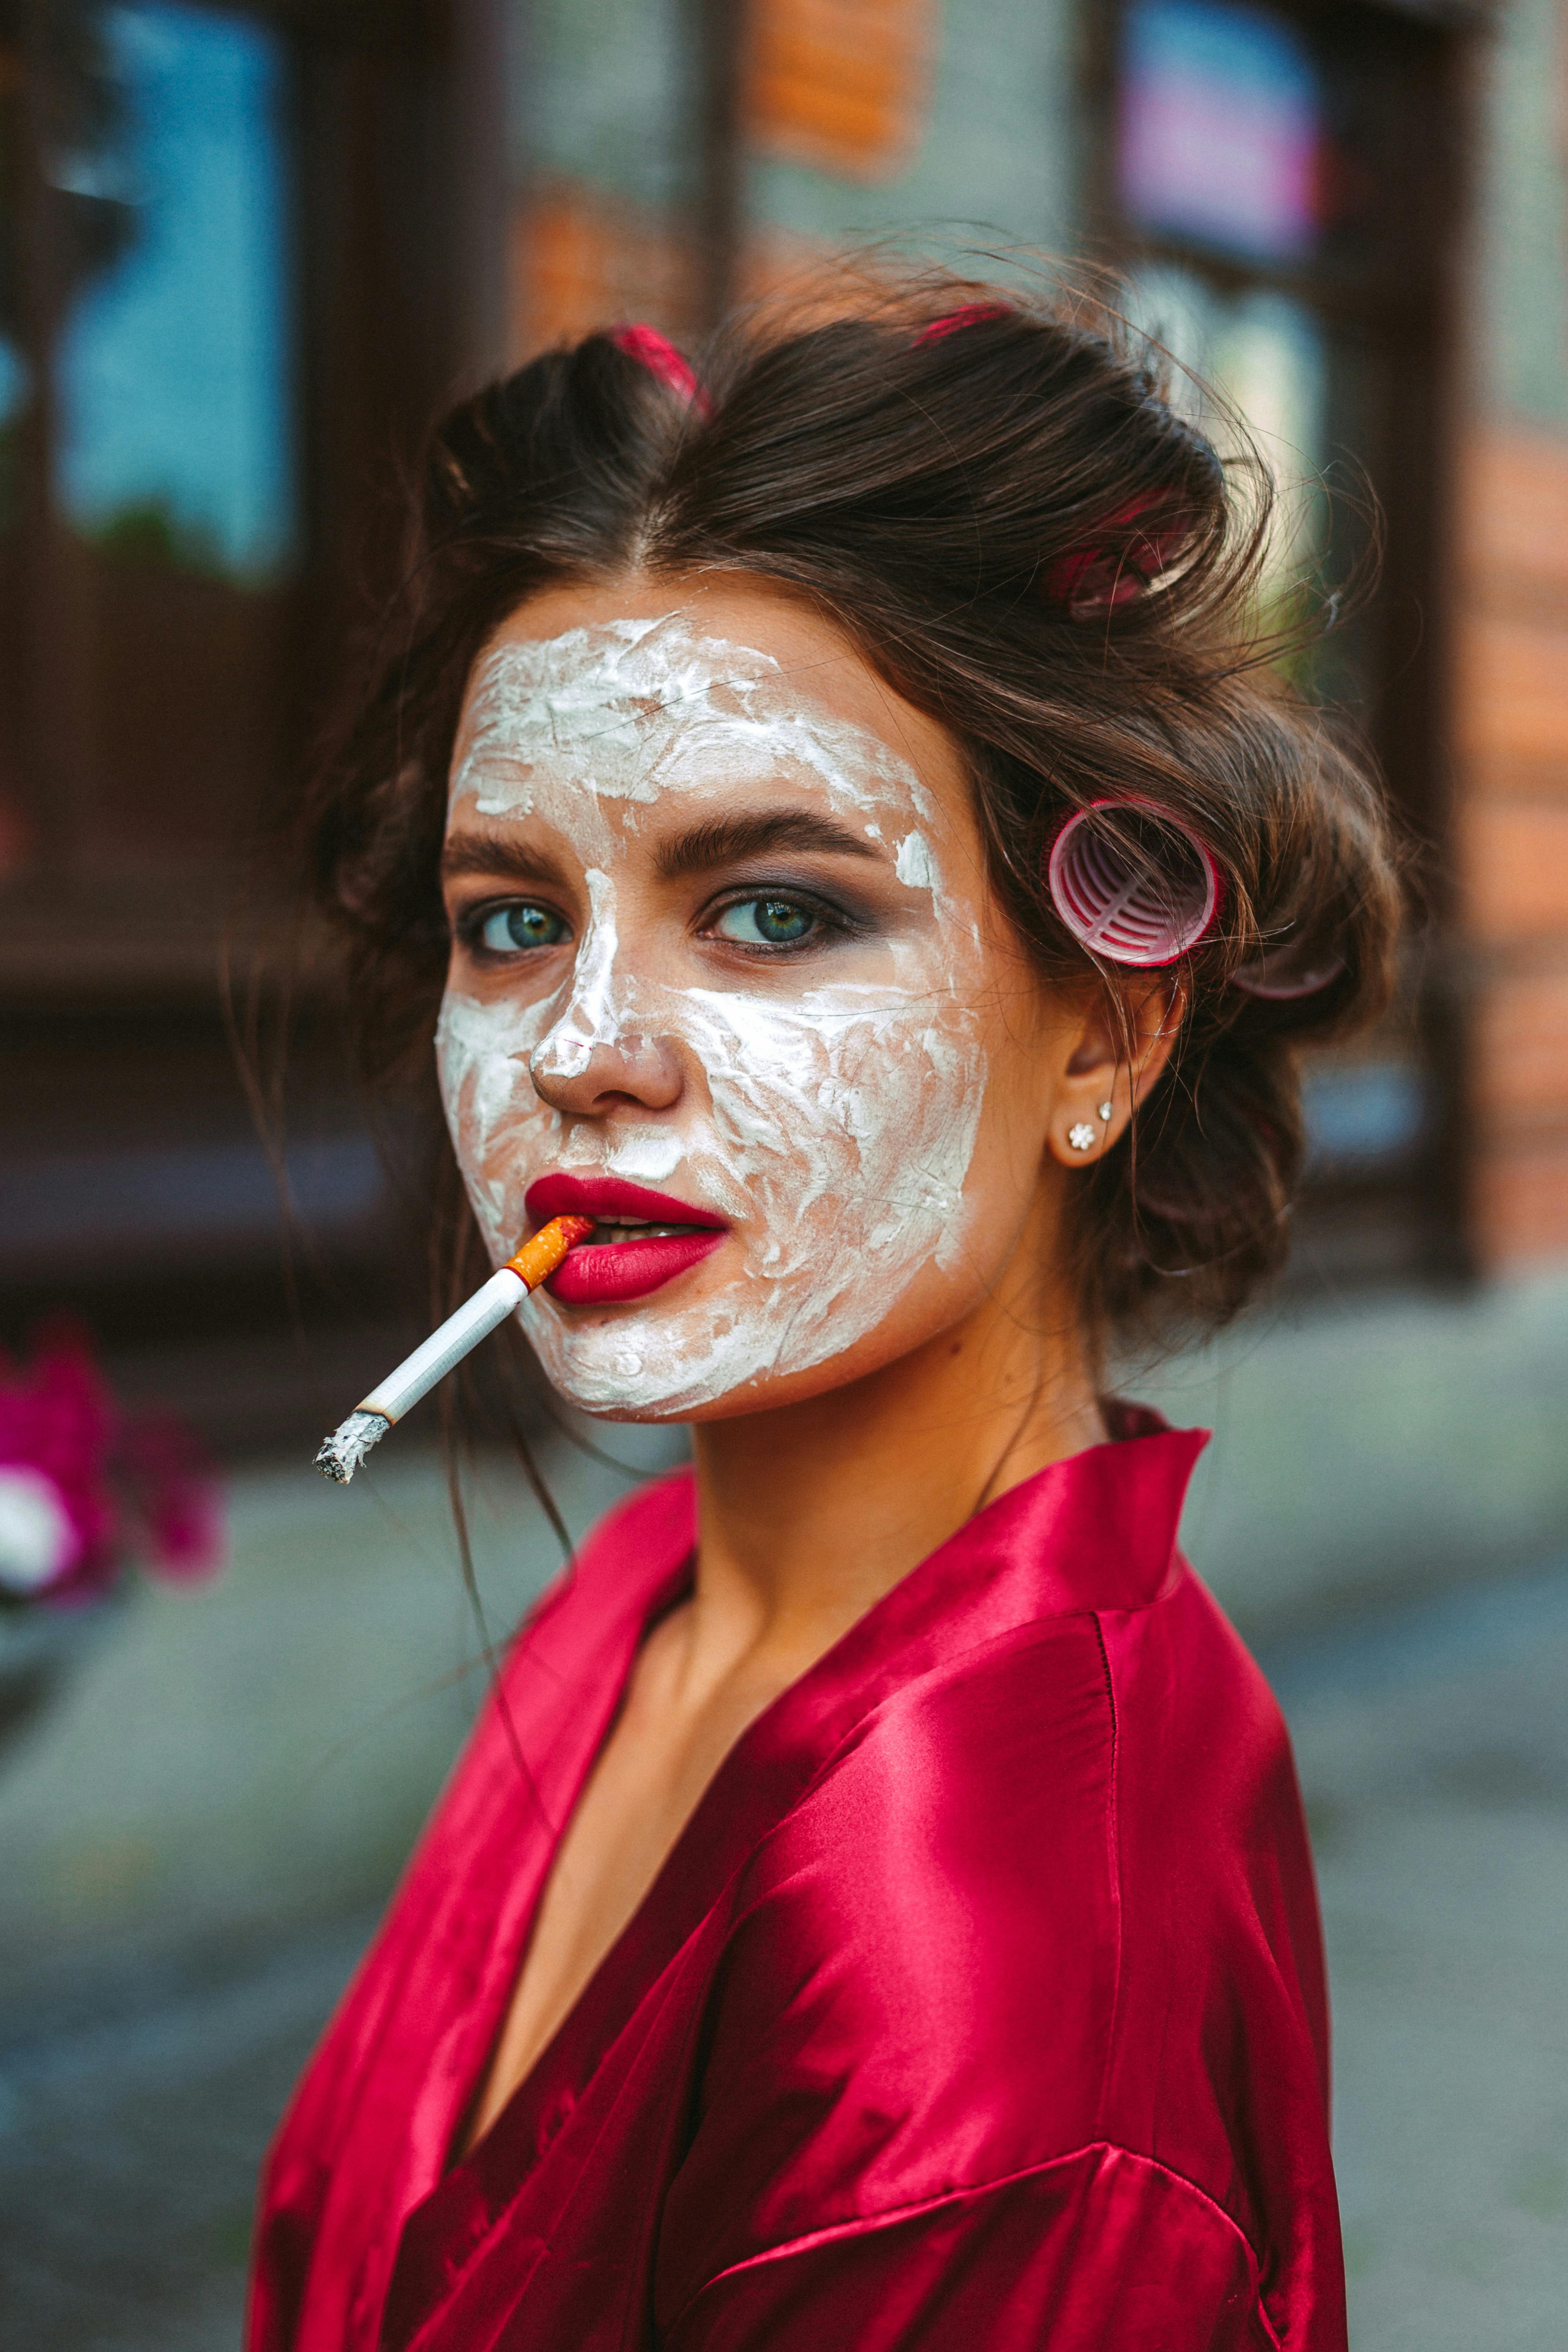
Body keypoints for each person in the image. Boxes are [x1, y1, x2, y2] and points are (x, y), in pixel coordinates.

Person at [248, 276, 1398, 2352]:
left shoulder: (999, 1990)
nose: (583, 1049)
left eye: (774, 910)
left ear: (1100, 1035)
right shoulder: (655, 1595)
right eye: (512, 918)